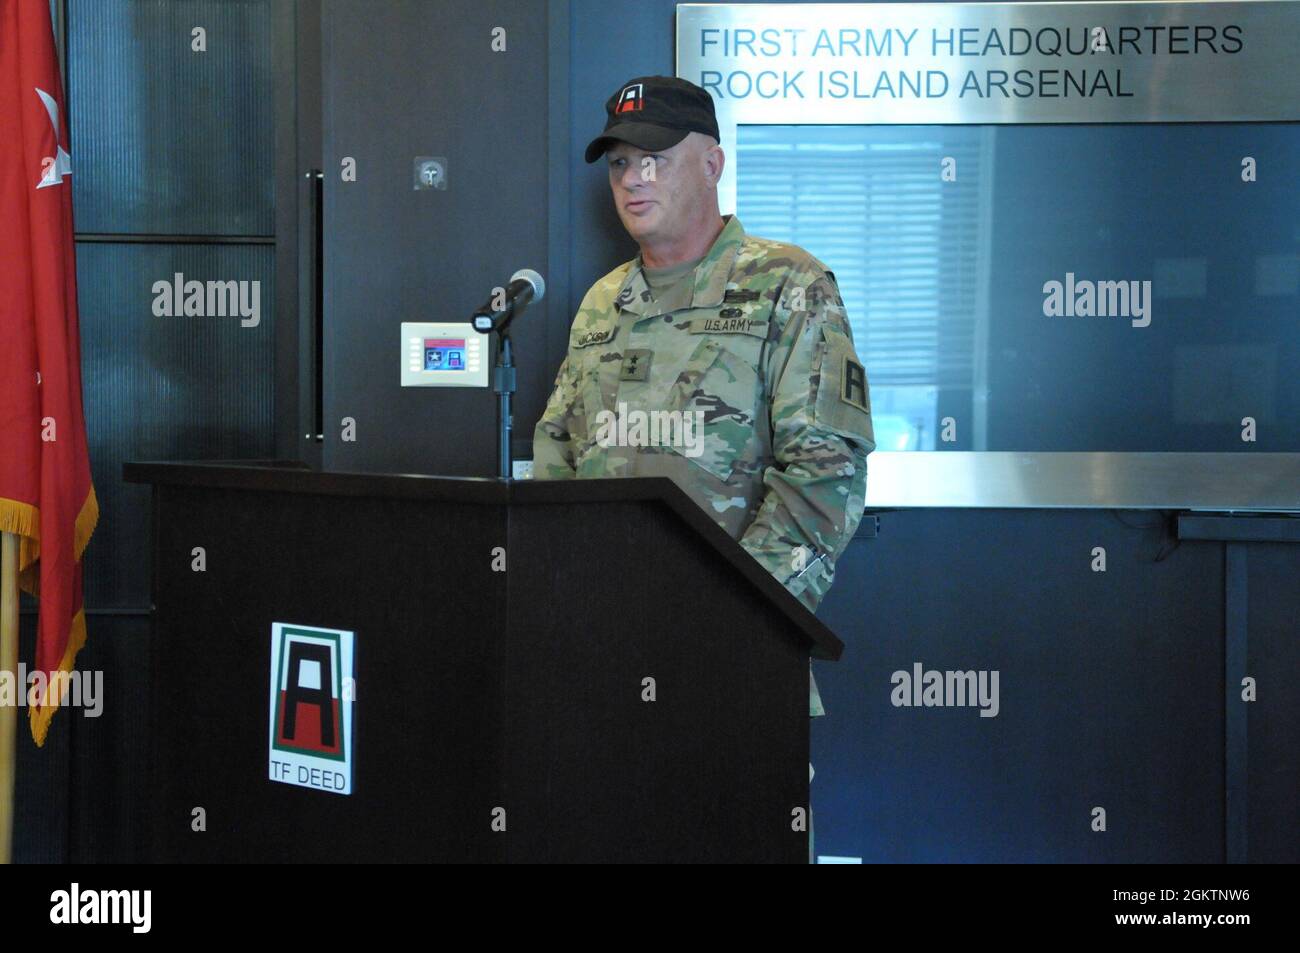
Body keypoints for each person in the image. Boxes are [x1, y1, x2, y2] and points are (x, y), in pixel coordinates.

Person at [532, 75, 875, 862]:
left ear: (713, 162)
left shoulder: (789, 285)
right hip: (599, 663)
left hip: (733, 662)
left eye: (655, 155)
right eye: (619, 162)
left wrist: (726, 623)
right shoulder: (600, 303)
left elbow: (825, 473)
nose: (633, 178)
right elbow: (556, 460)